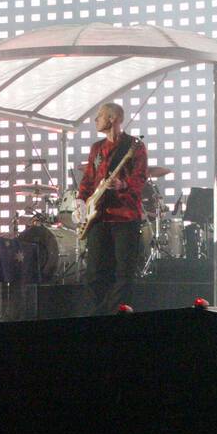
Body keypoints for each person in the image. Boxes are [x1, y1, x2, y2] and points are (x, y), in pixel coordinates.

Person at [77, 102, 149, 314]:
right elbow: (88, 179)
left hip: (125, 218)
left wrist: (123, 185)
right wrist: (81, 200)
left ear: (112, 119)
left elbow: (140, 177)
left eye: (99, 116)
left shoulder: (134, 146)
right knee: (94, 273)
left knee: (124, 273)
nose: (95, 120)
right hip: (98, 219)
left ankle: (116, 316)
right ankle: (98, 316)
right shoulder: (96, 148)